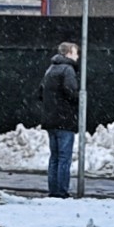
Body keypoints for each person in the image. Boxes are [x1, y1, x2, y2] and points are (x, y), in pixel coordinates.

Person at [41, 41, 81, 198]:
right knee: (64, 157)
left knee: (55, 157)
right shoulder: (68, 70)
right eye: (76, 52)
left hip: (50, 119)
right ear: (69, 53)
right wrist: (79, 97)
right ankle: (62, 191)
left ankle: (53, 190)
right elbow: (71, 92)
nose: (77, 56)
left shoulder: (50, 69)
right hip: (64, 120)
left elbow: (40, 92)